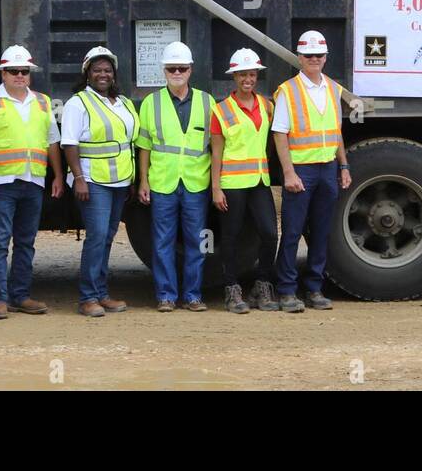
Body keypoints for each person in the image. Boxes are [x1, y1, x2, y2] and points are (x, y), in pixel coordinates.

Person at [0, 45, 64, 320]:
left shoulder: (43, 102)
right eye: (13, 71)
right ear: (3, 74)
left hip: (33, 181)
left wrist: (57, 175)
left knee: (26, 241)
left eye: (24, 71)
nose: (20, 75)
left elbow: (52, 141)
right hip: (1, 182)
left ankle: (20, 296)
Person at [272, 30, 351, 312]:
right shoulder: (288, 91)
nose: (314, 59)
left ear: (325, 57)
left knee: (321, 232)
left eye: (318, 55)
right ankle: (286, 290)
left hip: (328, 169)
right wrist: (289, 173)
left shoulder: (333, 89)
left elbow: (337, 132)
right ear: (300, 58)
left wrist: (343, 165)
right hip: (301, 171)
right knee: (292, 232)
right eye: (308, 55)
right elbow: (280, 134)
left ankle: (314, 289)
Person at [60, 46, 139, 318]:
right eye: (97, 70)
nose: (103, 74)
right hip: (93, 180)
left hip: (119, 181)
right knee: (96, 238)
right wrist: (79, 178)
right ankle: (88, 297)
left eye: (107, 70)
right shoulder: (77, 103)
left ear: (114, 74)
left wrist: (129, 178)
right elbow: (69, 144)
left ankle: (102, 293)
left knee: (107, 238)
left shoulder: (124, 102)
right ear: (87, 74)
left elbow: (127, 144)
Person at [136, 42, 212, 313]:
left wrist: (216, 185)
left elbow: (216, 146)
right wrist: (143, 180)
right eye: (172, 68)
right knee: (162, 242)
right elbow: (143, 146)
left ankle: (192, 295)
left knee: (197, 242)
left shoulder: (207, 101)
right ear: (164, 71)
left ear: (191, 70)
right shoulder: (150, 103)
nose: (177, 72)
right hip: (162, 183)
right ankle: (166, 295)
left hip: (195, 183)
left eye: (182, 68)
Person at [210, 48, 280, 314]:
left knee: (270, 234)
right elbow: (216, 152)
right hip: (232, 183)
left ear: (256, 76)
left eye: (251, 74)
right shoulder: (221, 110)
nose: (247, 79)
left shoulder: (266, 105)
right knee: (230, 237)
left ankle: (262, 286)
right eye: (242, 74)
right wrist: (216, 188)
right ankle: (232, 289)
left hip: (259, 181)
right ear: (234, 77)